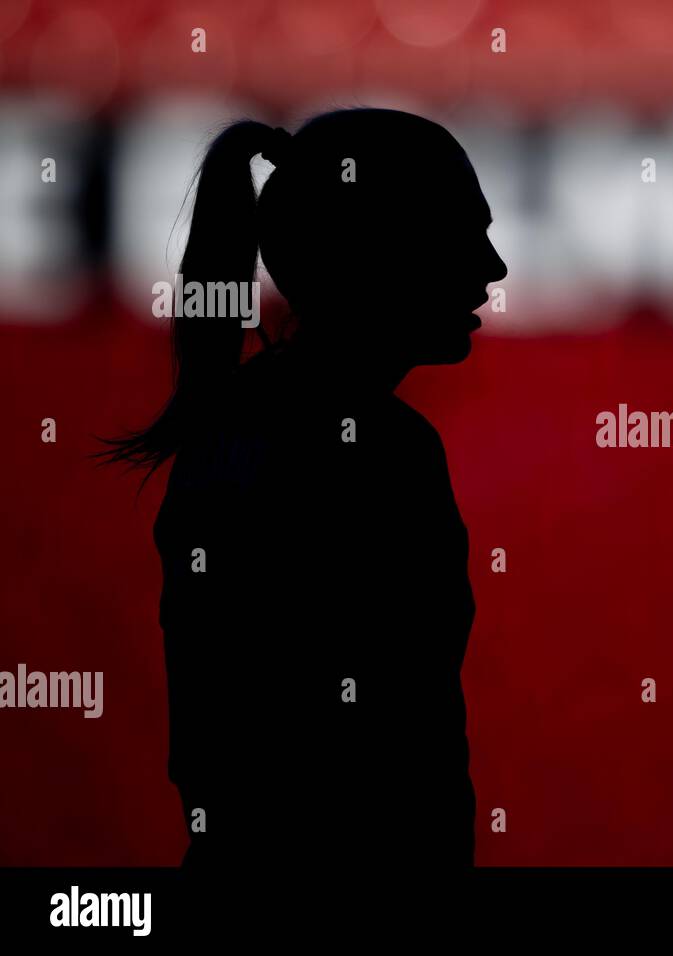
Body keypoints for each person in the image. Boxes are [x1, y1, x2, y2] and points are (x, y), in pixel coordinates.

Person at [99, 109, 506, 898]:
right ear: (379, 257)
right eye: (462, 233)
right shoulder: (380, 454)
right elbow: (391, 755)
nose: (491, 266)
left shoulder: (238, 428)